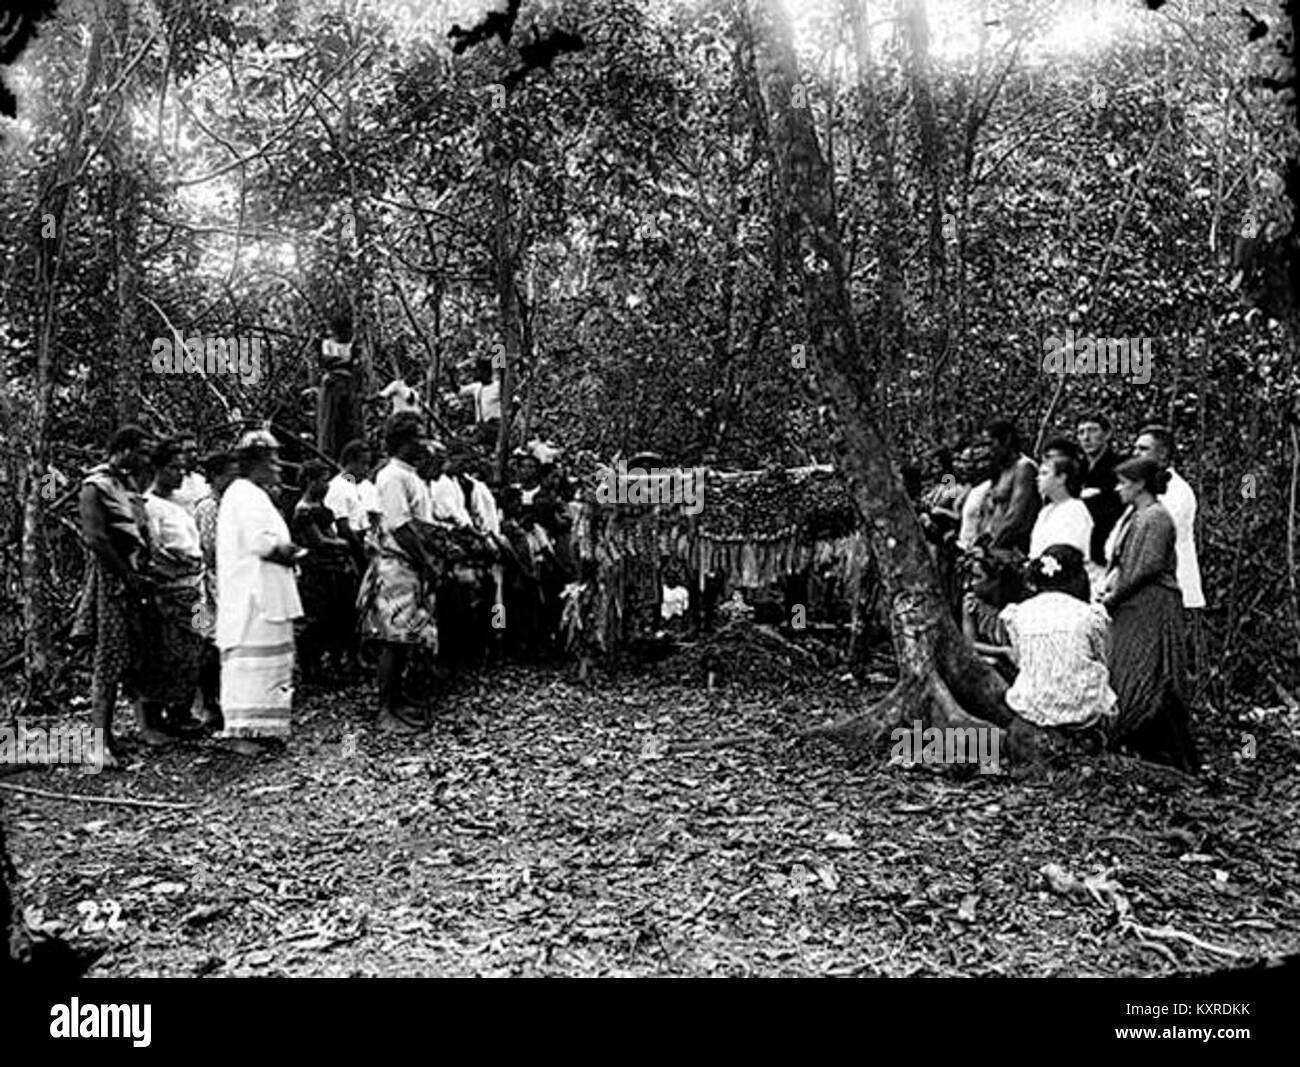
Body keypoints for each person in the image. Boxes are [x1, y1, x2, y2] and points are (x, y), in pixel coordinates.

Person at [1098, 456, 1199, 771]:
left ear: (1140, 485)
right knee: (1133, 669)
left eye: (1123, 483)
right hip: (1135, 604)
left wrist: (1114, 597)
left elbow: (1147, 566)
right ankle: (1141, 743)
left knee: (1153, 673)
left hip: (1150, 605)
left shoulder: (1155, 517)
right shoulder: (1138, 515)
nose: (1118, 489)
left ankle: (1172, 754)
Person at [215, 429, 304, 755]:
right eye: (274, 459)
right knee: (246, 663)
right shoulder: (243, 494)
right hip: (252, 594)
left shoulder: (254, 494)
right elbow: (259, 543)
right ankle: (238, 731)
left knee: (271, 661)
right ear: (257, 462)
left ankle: (264, 727)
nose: (279, 466)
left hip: (267, 589)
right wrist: (288, 551)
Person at [71, 425, 154, 770]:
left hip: (132, 577)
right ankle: (96, 743)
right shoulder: (95, 485)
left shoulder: (125, 484)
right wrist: (127, 576)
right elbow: (95, 538)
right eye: (141, 450)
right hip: (111, 579)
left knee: (127, 657)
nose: (145, 458)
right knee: (108, 657)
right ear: (123, 450)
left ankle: (110, 736)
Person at [971, 544, 1117, 731]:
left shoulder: (1019, 613)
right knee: (1107, 695)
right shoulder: (1089, 615)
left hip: (1033, 707)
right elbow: (1103, 657)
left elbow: (1023, 658)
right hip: (1083, 713)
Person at [356, 412, 441, 729]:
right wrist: (426, 561)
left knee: (406, 637)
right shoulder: (392, 476)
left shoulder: (411, 475)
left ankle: (398, 698)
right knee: (393, 638)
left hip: (411, 563)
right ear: (402, 442)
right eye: (417, 437)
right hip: (397, 564)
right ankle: (385, 710)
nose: (423, 443)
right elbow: (400, 526)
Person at [139, 440, 206, 740]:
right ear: (158, 469)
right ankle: (155, 720)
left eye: (182, 468)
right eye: (173, 468)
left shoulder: (179, 504)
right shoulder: (149, 506)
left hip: (194, 586)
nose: (180, 474)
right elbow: (152, 549)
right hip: (170, 588)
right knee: (166, 653)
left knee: (195, 646)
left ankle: (182, 711)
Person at [292, 460, 358, 682]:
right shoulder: (303, 511)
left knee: (336, 617)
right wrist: (342, 544)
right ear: (310, 481)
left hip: (332, 570)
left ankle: (334, 663)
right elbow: (318, 541)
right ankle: (311, 668)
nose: (327, 485)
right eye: (322, 480)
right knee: (315, 621)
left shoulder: (320, 507)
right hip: (315, 572)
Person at [1133, 424, 1205, 611]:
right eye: (1135, 448)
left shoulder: (1177, 492)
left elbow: (1152, 541)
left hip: (1172, 590)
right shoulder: (1145, 489)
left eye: (1143, 449)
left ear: (1163, 454)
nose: (1136, 454)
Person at [193, 450, 240, 730]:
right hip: (209, 585)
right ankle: (206, 703)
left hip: (232, 582)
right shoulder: (208, 507)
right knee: (207, 644)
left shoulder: (234, 505)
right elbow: (210, 550)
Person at [980, 419, 1039, 552]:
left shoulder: (1024, 468)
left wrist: (991, 547)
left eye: (991, 444)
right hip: (997, 544)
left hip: (1015, 547)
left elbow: (1016, 516)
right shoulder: (1003, 469)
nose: (988, 451)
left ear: (1006, 440)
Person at [1076, 413, 1124, 569]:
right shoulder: (1076, 468)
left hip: (1104, 548)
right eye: (1081, 432)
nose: (1086, 437)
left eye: (1092, 430)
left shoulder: (1120, 467)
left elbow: (1114, 507)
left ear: (1107, 434)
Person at [1029, 451, 1093, 561]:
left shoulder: (1074, 510)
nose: (1038, 478)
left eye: (1044, 473)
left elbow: (1067, 554)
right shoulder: (1046, 510)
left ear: (1061, 478)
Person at [172, 433, 211, 515]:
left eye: (195, 450)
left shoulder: (202, 480)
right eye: (188, 451)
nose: (194, 455)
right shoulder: (170, 482)